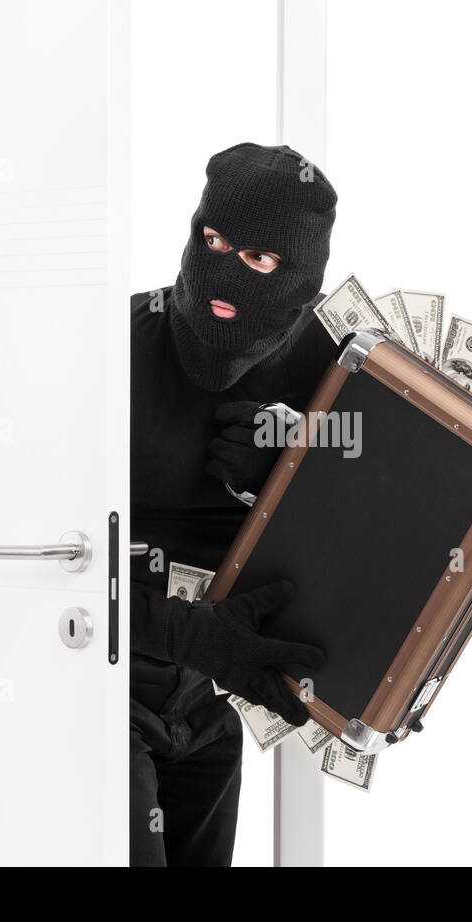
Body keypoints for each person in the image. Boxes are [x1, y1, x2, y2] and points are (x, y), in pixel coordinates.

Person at [129, 143, 340, 867]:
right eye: (213, 241)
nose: (223, 272)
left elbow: (377, 545)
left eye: (258, 261)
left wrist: (285, 481)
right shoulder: (115, 350)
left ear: (302, 281)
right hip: (100, 693)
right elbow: (34, 569)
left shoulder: (332, 378)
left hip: (209, 711)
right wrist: (188, 635)